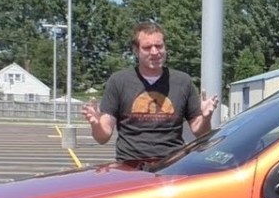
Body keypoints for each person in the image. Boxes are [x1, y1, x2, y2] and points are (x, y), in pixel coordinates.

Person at [83, 21, 219, 162]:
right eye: (147, 47)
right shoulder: (119, 81)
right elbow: (103, 137)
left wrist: (206, 117)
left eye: (159, 46)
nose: (155, 52)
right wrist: (96, 124)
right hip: (130, 165)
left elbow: (201, 132)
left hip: (172, 165)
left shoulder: (182, 81)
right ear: (136, 51)